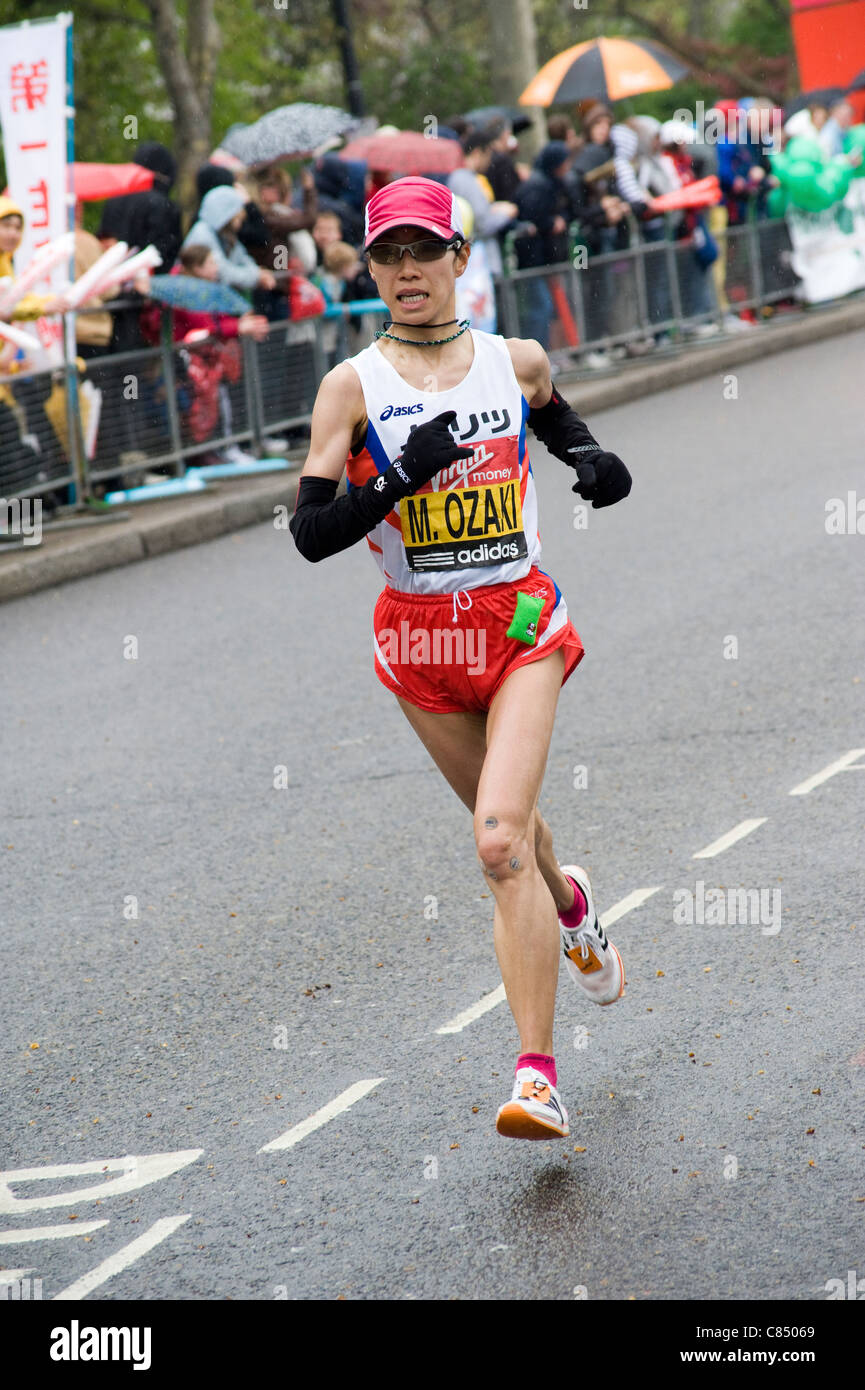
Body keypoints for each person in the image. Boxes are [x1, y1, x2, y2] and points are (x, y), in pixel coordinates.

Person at [289, 176, 632, 1142]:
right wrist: (399, 477)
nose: (407, 270)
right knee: (516, 836)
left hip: (517, 623)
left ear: (458, 261)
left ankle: (535, 1077)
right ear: (369, 268)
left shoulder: (514, 362)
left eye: (423, 251)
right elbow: (310, 533)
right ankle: (572, 909)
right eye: (387, 255)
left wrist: (596, 466)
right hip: (419, 639)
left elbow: (571, 432)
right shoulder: (350, 387)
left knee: (492, 843)